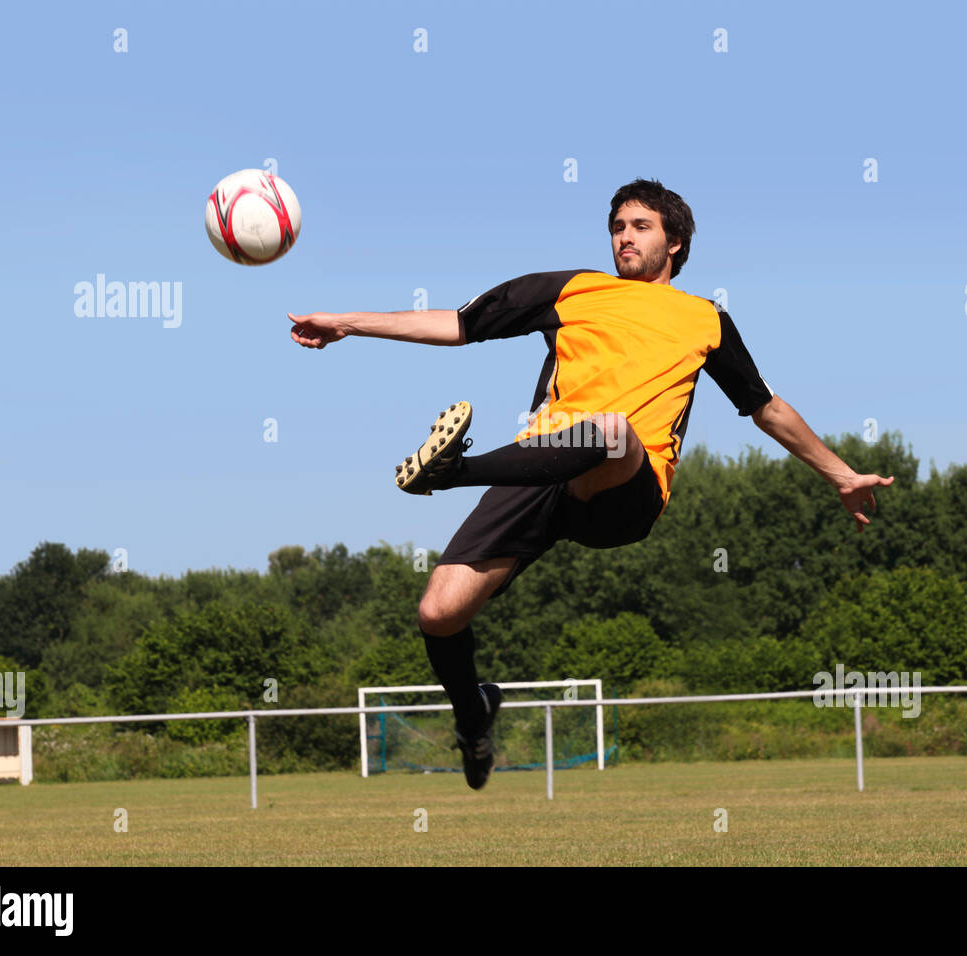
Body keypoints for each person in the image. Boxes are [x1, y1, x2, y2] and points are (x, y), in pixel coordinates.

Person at [287, 178, 895, 790]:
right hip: (539, 470)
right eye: (617, 227)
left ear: (675, 244)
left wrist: (841, 475)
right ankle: (474, 716)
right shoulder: (573, 289)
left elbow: (766, 407)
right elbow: (458, 323)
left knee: (610, 429)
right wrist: (347, 322)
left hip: (624, 487)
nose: (624, 237)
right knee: (439, 613)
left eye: (641, 227)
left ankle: (454, 472)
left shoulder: (704, 319)